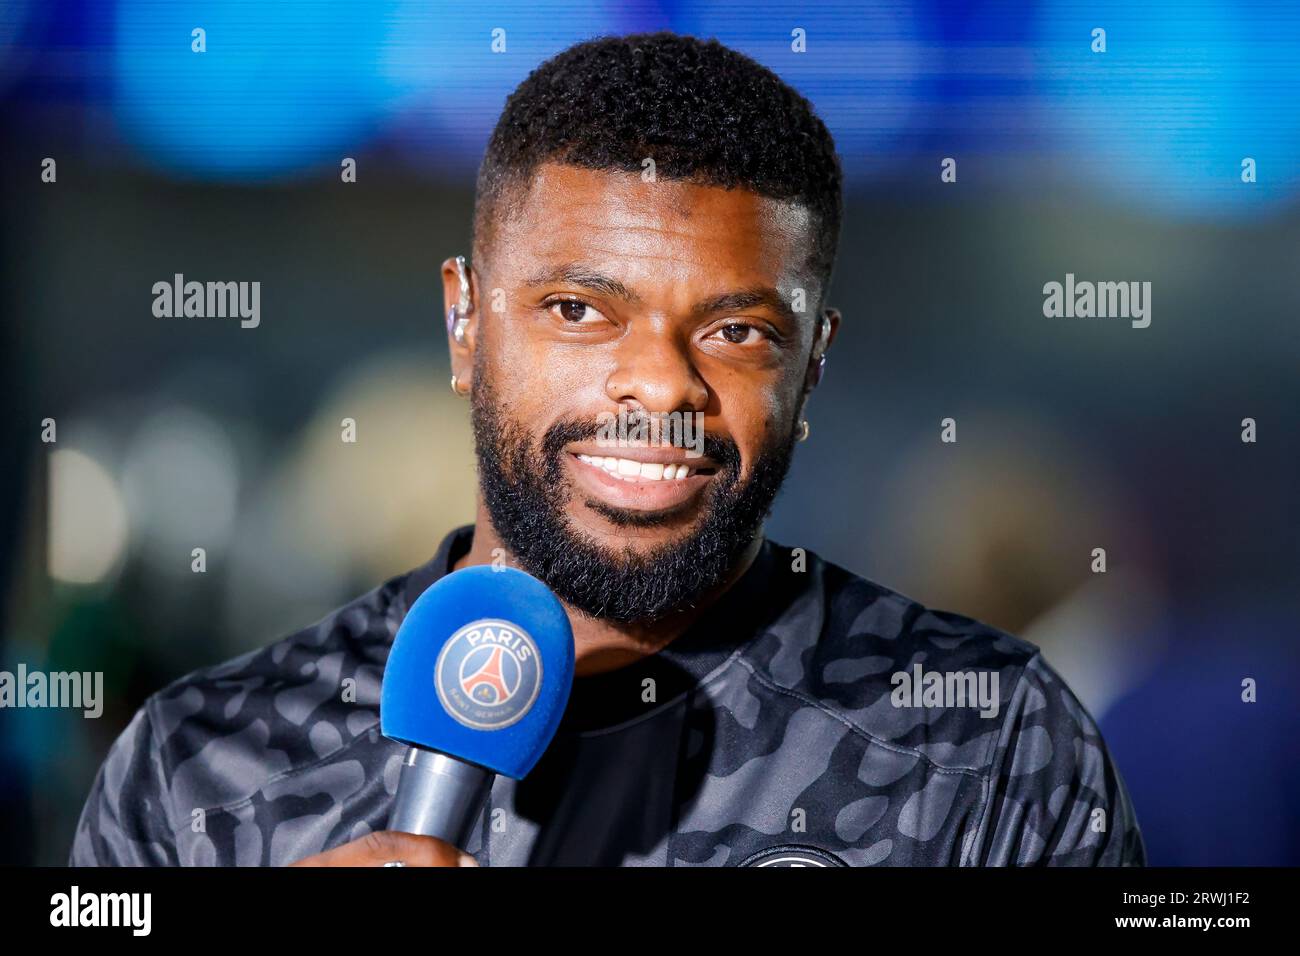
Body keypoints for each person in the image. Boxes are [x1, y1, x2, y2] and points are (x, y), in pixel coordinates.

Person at [71, 32, 1144, 867]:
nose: (662, 384)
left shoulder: (988, 746)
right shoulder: (199, 765)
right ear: (465, 322)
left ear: (811, 361)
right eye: (580, 310)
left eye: (738, 331)